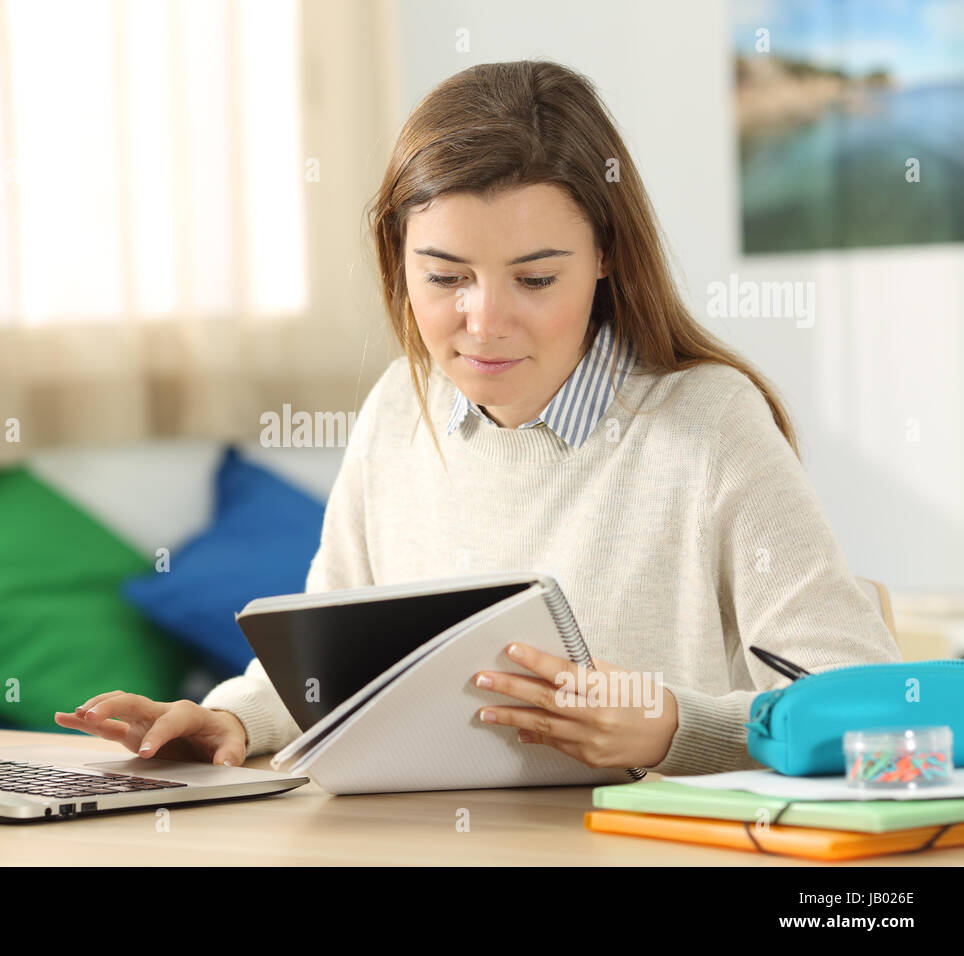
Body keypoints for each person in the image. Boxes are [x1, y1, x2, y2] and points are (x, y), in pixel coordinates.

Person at [54, 59, 900, 777]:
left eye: (535, 279)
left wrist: (673, 728)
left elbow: (862, 699)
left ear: (606, 256)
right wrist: (232, 720)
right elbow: (328, 658)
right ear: (399, 259)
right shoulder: (400, 405)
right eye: (445, 277)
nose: (485, 320)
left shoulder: (708, 423)